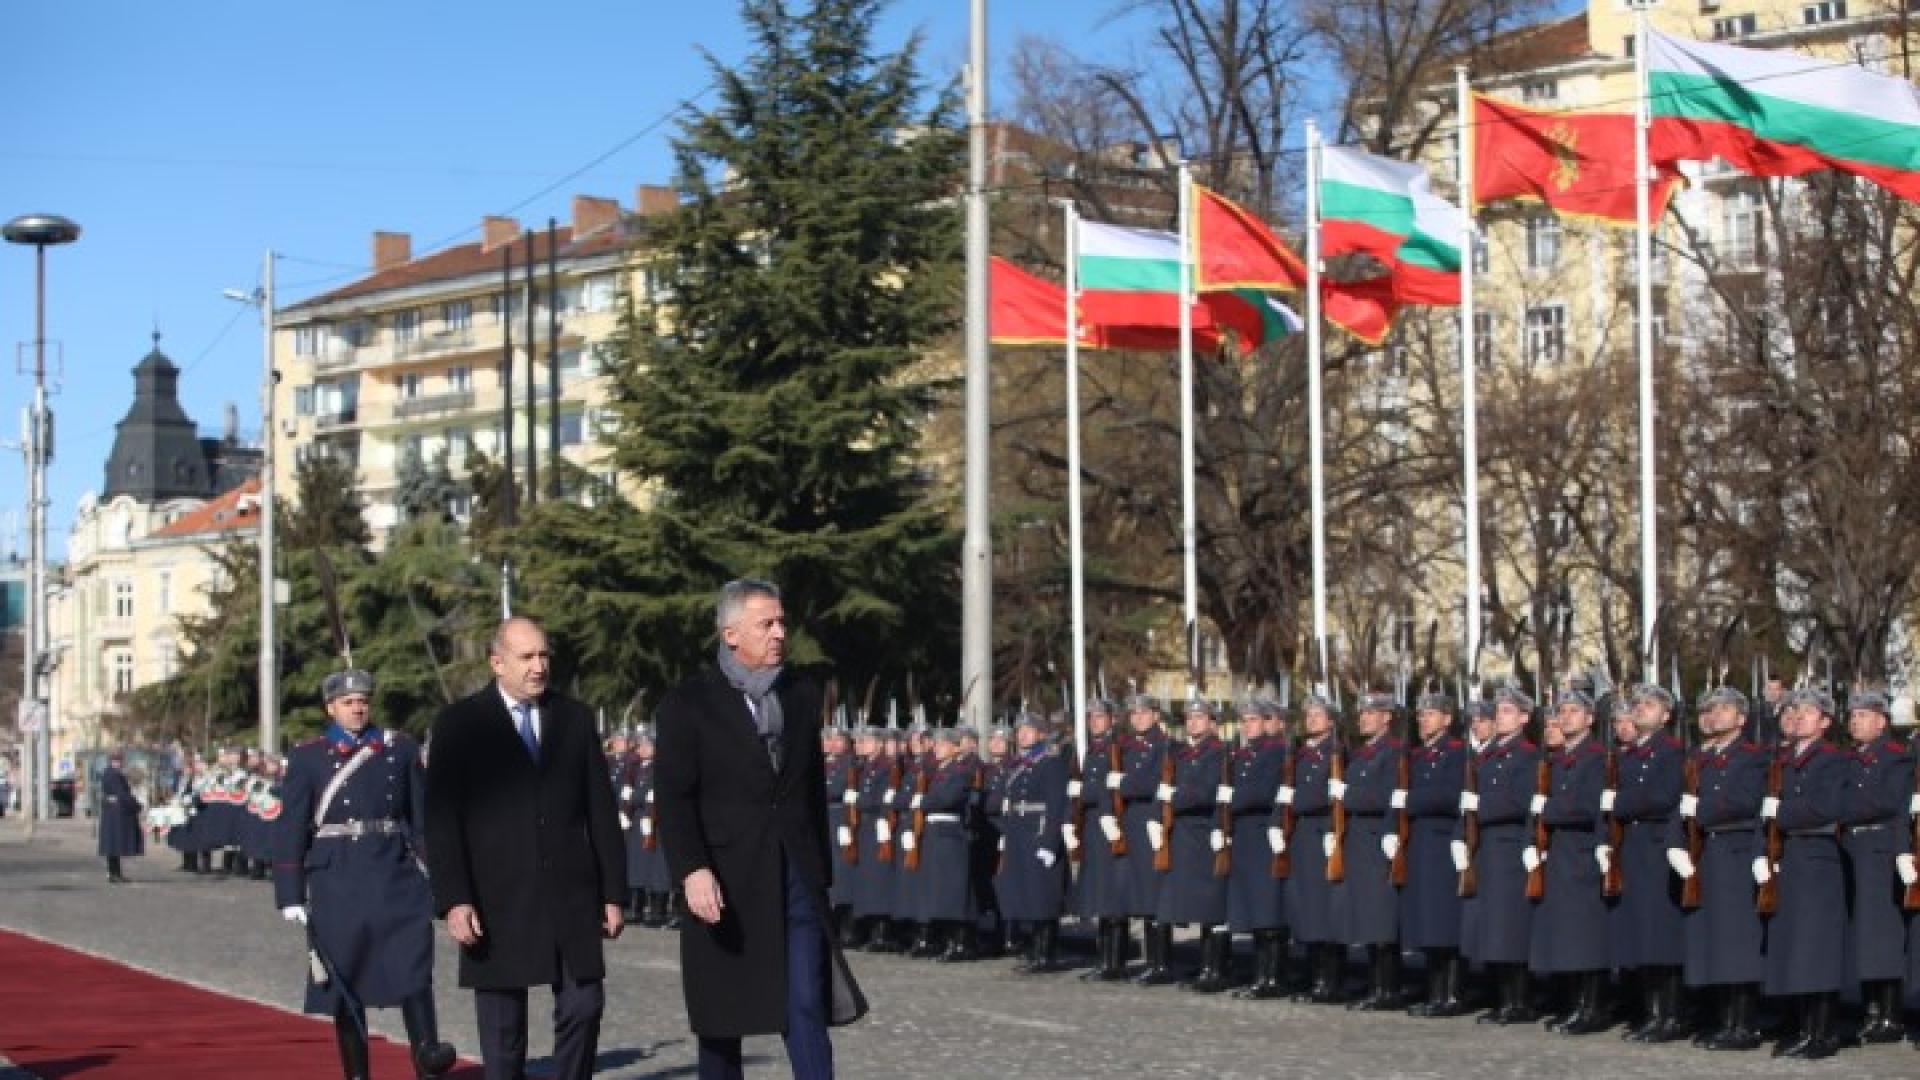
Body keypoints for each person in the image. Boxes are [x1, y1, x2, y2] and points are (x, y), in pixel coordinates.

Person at [654, 579, 868, 1080]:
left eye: (781, 622)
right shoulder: (688, 705)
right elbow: (675, 798)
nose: (779, 633)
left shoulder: (798, 694)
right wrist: (692, 871)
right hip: (724, 877)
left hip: (795, 876)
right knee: (723, 1019)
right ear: (731, 635)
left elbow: (810, 786)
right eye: (765, 624)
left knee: (806, 1004)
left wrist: (820, 873)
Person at [425, 617, 628, 1080]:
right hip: (496, 898)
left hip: (571, 895)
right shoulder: (460, 724)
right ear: (497, 663)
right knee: (503, 1033)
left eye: (544, 656)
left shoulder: (573, 718)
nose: (539, 667)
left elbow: (600, 809)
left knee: (584, 1005)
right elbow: (442, 822)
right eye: (527, 657)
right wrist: (455, 899)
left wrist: (613, 892)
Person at [275, 669, 455, 1080]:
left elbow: (421, 820)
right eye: (348, 702)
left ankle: (427, 1056)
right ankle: (357, 1075)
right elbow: (291, 828)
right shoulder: (308, 758)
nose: (358, 708)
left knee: (414, 968)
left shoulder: (399, 749)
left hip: (395, 874)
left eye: (363, 701)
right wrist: (289, 892)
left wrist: (443, 880)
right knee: (346, 981)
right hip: (338, 878)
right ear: (331, 708)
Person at [1668, 685, 1767, 1051]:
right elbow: (1677, 805)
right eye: (1708, 710)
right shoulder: (1698, 758)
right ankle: (1722, 1019)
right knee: (1712, 941)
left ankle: (1744, 1024)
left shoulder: (1751, 757)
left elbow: (1745, 800)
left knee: (1737, 942)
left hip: (1736, 848)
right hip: (1705, 852)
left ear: (1741, 719)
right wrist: (1675, 844)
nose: (1712, 716)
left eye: (1722, 710)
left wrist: (1702, 811)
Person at [1760, 688, 1848, 1059]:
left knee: (1817, 948)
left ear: (1825, 722)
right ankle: (1801, 1025)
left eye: (1807, 712)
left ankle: (1822, 1032)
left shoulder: (1830, 759)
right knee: (1795, 946)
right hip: (1793, 853)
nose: (1797, 717)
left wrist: (1781, 813)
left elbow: (1827, 807)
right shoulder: (1786, 758)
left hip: (1818, 855)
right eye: (1794, 711)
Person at [1527, 689, 1610, 1035]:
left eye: (1574, 711)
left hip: (1582, 850)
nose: (1565, 717)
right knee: (1566, 934)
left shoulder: (1596, 757)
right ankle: (1574, 1004)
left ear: (1590, 719)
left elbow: (1588, 806)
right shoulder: (1557, 759)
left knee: (1585, 936)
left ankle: (1592, 1008)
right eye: (1562, 712)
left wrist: (1548, 811)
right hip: (1559, 853)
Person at [1609, 684, 1688, 1042]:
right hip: (1635, 845)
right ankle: (1650, 1012)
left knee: (1662, 935)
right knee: (1640, 933)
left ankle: (1670, 1015)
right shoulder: (1628, 754)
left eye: (1649, 705)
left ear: (1666, 715)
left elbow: (1662, 798)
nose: (1640, 709)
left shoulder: (1670, 751)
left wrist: (1622, 803)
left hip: (1658, 844)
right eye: (1637, 705)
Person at [1458, 686, 1539, 1025]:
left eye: (1507, 711)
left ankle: (1517, 1000)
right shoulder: (1488, 754)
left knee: (1510, 927)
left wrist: (1481, 807)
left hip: (1508, 843)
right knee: (1492, 926)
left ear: (1524, 718)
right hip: (1487, 846)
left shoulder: (1527, 754)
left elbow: (1521, 801)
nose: (1500, 717)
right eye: (1499, 711)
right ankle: (1500, 996)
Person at [1835, 689, 1911, 1044]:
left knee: (1881, 934)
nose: (1855, 721)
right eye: (1852, 716)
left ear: (1881, 721)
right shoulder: (1850, 759)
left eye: (1862, 716)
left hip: (1880, 847)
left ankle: (1889, 1012)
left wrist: (1848, 807)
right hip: (1853, 845)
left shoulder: (1894, 757)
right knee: (1861, 933)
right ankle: (1870, 1008)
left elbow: (1889, 801)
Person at [1154, 700, 1233, 992]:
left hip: (1204, 832)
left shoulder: (1218, 753)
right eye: (1189, 718)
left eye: (1199, 717)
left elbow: (1203, 792)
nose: (1192, 722)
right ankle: (1204, 967)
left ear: (1213, 721)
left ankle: (1217, 969)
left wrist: (1170, 800)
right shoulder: (1183, 753)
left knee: (1211, 904)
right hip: (1182, 836)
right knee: (1196, 905)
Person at [1338, 692, 1406, 1010]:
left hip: (1379, 836)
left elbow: (1389, 796)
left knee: (1382, 916)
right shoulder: (1362, 753)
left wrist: (1349, 797)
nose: (1363, 717)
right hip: (1359, 839)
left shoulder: (1393, 752)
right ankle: (1375, 984)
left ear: (1386, 717)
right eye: (1361, 713)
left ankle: (1387, 988)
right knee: (1366, 915)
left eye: (1370, 712)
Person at [1402, 692, 1469, 1017]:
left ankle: (1452, 994)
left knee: (1445, 921)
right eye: (1420, 715)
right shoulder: (1417, 755)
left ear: (1447, 719)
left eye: (1430, 714)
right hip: (1420, 842)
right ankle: (1435, 991)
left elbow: (1450, 796)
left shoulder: (1455, 753)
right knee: (1428, 922)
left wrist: (1411, 801)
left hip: (1442, 842)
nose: (1422, 719)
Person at [993, 714, 1069, 972]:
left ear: (1041, 734)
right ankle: (1032, 949)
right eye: (1020, 730)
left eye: (1028, 730)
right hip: (1018, 833)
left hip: (1038, 832)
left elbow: (1056, 805)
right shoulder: (1019, 765)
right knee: (1024, 894)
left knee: (1043, 896)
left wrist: (1050, 842)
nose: (1022, 734)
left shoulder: (1050, 763)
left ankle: (1046, 953)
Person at [1226, 699, 1290, 999]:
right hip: (1245, 836)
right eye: (1245, 720)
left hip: (1264, 832)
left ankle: (1273, 977)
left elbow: (1261, 793)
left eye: (1254, 719)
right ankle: (1260, 975)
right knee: (1254, 911)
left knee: (1269, 912)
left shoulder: (1275, 752)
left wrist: (1229, 801)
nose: (1248, 725)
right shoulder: (1244, 754)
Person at [1284, 694, 1344, 1003]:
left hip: (1324, 829)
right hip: (1303, 833)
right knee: (1306, 907)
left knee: (1324, 910)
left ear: (1331, 721)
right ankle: (1312, 977)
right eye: (1308, 714)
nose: (1311, 719)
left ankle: (1329, 980)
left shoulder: (1336, 753)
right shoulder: (1301, 755)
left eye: (1318, 715)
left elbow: (1331, 800)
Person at [1073, 699, 1133, 981]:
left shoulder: (1117, 745)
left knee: (1114, 897)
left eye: (1100, 716)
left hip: (1112, 824)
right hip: (1094, 826)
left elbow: (1107, 788)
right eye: (1091, 717)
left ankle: (1115, 961)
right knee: (1100, 894)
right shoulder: (1093, 749)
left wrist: (1087, 794)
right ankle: (1104, 958)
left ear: (1112, 718)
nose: (1094, 721)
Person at [913, 727, 983, 964]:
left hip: (949, 834)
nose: (937, 748)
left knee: (954, 891)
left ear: (955, 748)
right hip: (934, 834)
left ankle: (961, 942)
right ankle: (947, 940)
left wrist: (921, 801)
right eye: (936, 744)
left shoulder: (959, 773)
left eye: (943, 744)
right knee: (939, 891)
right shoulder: (938, 773)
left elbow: (946, 799)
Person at [1117, 695, 1173, 984]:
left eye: (1143, 713)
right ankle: (1151, 960)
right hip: (1132, 822)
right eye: (1134, 713)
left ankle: (1161, 962)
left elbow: (1153, 782)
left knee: (1155, 894)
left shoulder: (1163, 746)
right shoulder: (1127, 747)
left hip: (1152, 820)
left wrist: (1123, 784)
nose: (1137, 718)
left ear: (1155, 715)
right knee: (1139, 893)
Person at [96, 751, 144, 884]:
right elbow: (122, 795)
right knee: (115, 844)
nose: (121, 763)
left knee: (112, 845)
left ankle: (114, 873)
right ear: (115, 761)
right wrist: (137, 806)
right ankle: (114, 874)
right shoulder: (114, 775)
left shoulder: (108, 773)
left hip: (112, 814)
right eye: (119, 760)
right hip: (117, 816)